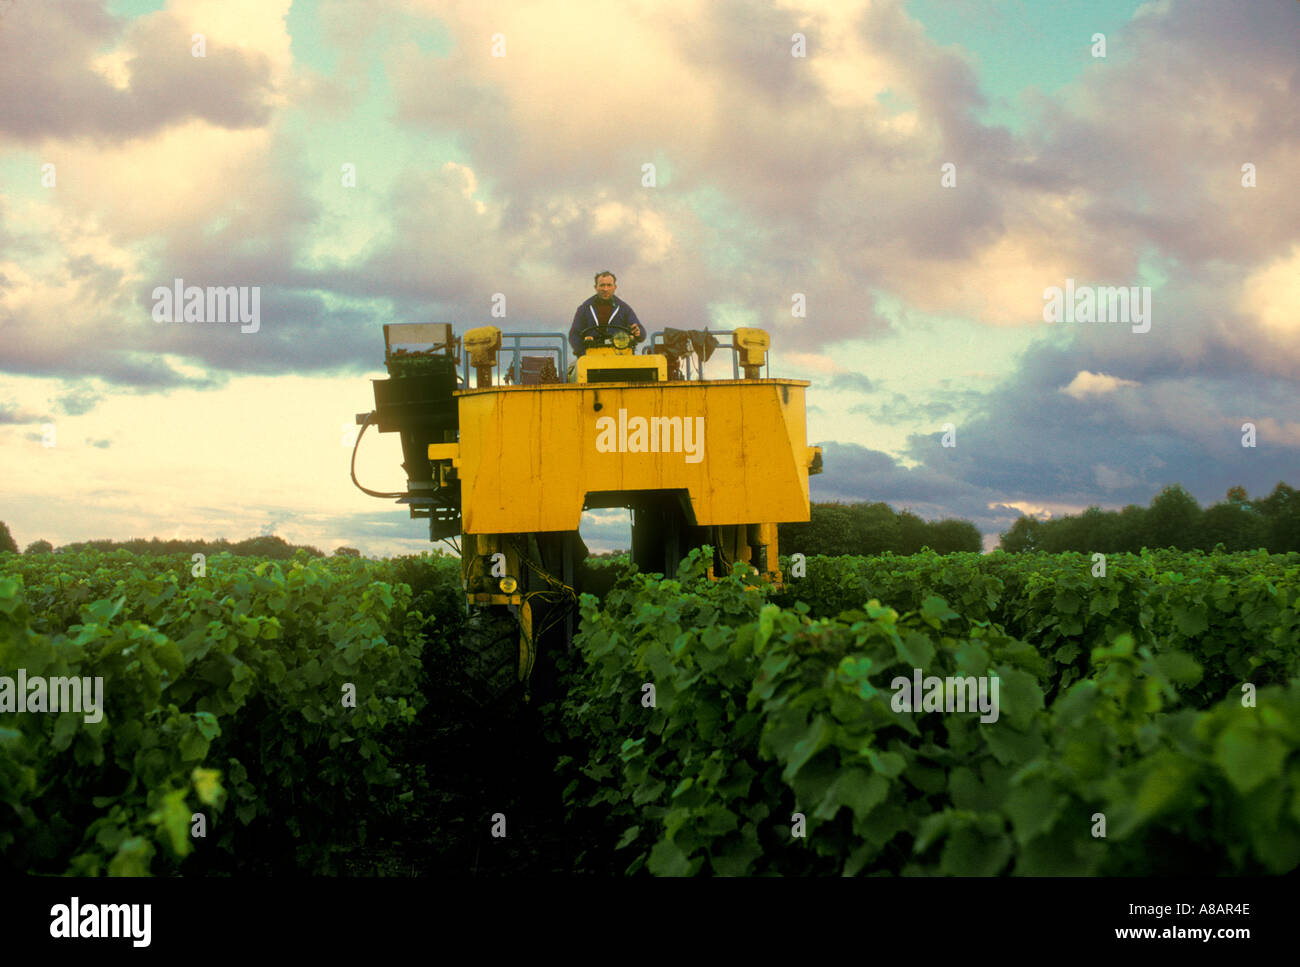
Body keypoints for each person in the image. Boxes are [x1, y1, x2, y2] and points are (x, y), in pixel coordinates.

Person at [568, 271, 646, 361]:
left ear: (615, 287)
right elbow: (574, 335)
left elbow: (641, 333)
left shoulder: (624, 309)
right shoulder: (584, 309)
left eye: (609, 285)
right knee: (573, 371)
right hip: (591, 359)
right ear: (595, 287)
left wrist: (638, 332)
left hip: (620, 358)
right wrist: (583, 355)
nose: (605, 289)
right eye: (602, 285)